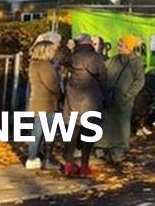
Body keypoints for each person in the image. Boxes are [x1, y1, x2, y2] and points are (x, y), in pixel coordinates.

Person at [62, 33, 107, 177]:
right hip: (91, 99)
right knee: (88, 134)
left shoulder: (72, 57)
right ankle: (84, 166)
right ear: (89, 43)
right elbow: (104, 78)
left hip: (72, 98)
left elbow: (62, 65)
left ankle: (68, 165)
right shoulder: (96, 58)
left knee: (71, 132)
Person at [99, 35, 145, 162]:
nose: (118, 48)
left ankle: (118, 151)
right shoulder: (114, 59)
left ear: (128, 47)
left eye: (121, 45)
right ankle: (104, 148)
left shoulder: (136, 62)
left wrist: (128, 95)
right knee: (107, 123)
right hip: (110, 96)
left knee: (121, 125)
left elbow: (139, 81)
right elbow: (103, 71)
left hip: (124, 99)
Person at [26, 40, 61, 169]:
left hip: (37, 102)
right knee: (47, 132)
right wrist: (60, 94)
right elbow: (52, 84)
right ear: (45, 51)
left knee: (37, 131)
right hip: (47, 103)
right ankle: (43, 158)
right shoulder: (45, 66)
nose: (54, 52)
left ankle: (33, 156)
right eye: (51, 50)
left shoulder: (34, 64)